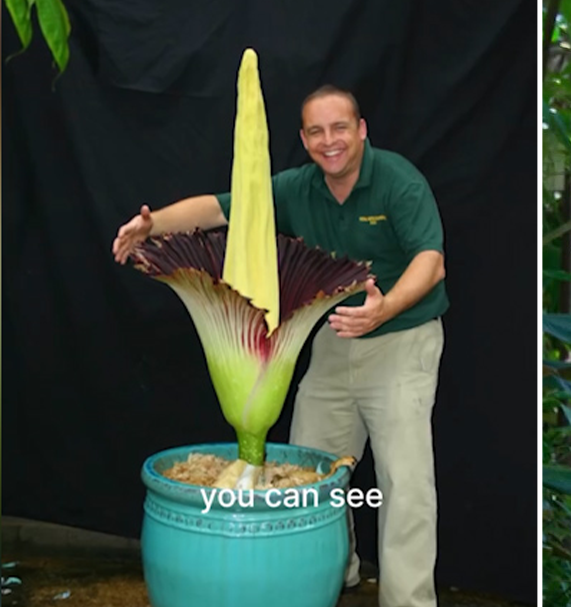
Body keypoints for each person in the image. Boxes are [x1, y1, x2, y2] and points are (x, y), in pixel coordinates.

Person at [113, 85, 448, 607]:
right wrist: (152, 224)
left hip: (402, 340)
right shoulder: (300, 188)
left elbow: (431, 260)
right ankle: (337, 570)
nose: (328, 141)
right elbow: (224, 208)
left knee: (403, 480)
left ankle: (408, 600)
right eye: (316, 131)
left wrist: (385, 308)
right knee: (310, 470)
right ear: (303, 139)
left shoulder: (398, 182)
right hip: (336, 337)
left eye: (339, 128)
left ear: (361, 130)